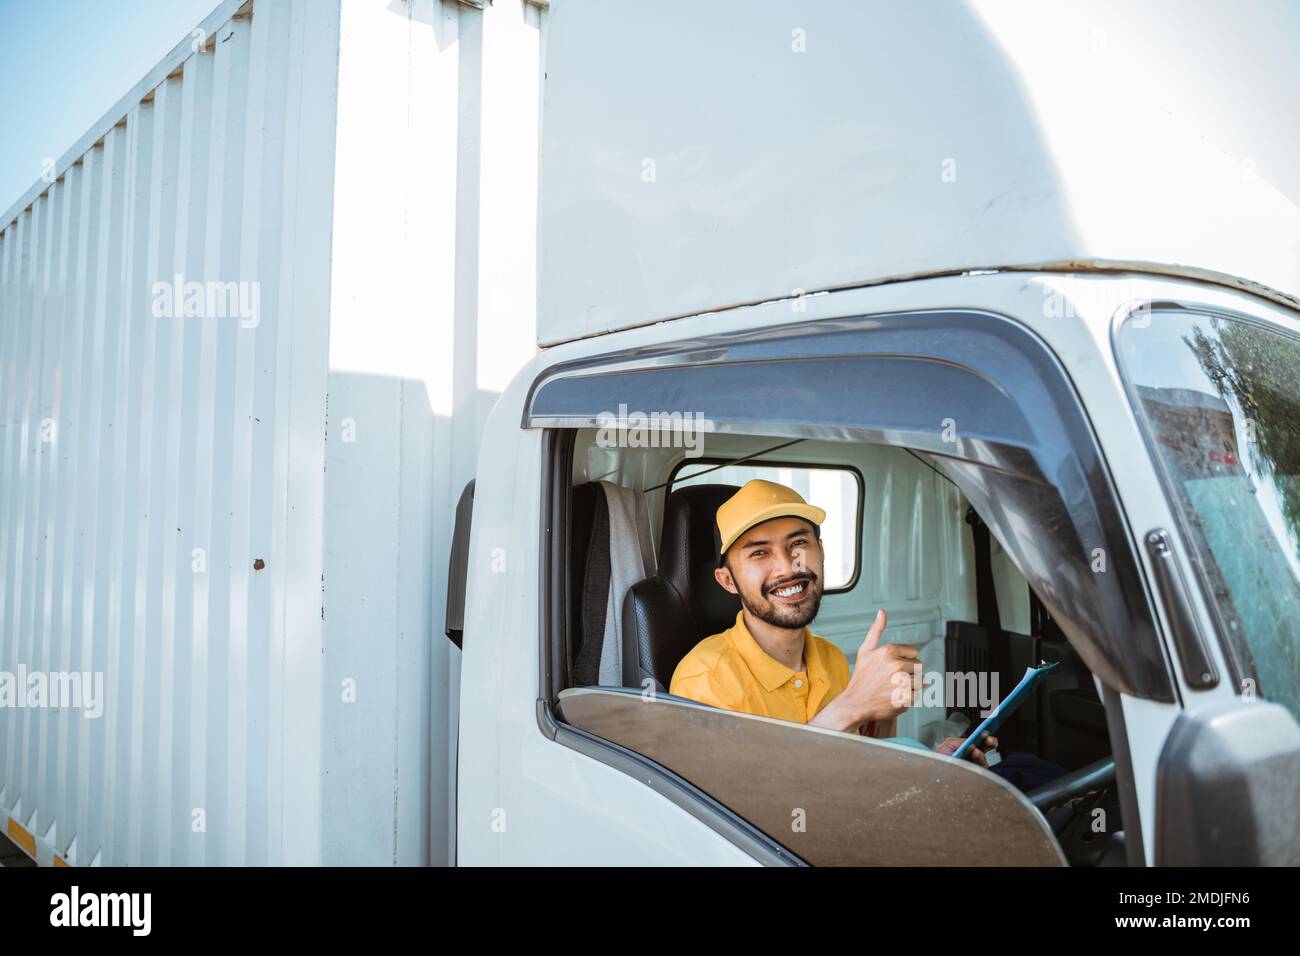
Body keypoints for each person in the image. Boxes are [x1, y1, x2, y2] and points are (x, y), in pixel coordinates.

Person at [668, 479, 995, 765]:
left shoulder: (830, 657)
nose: (788, 568)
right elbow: (742, 810)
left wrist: (931, 762)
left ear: (821, 552)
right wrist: (852, 704)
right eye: (759, 553)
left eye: (798, 544)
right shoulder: (705, 682)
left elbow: (861, 769)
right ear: (727, 581)